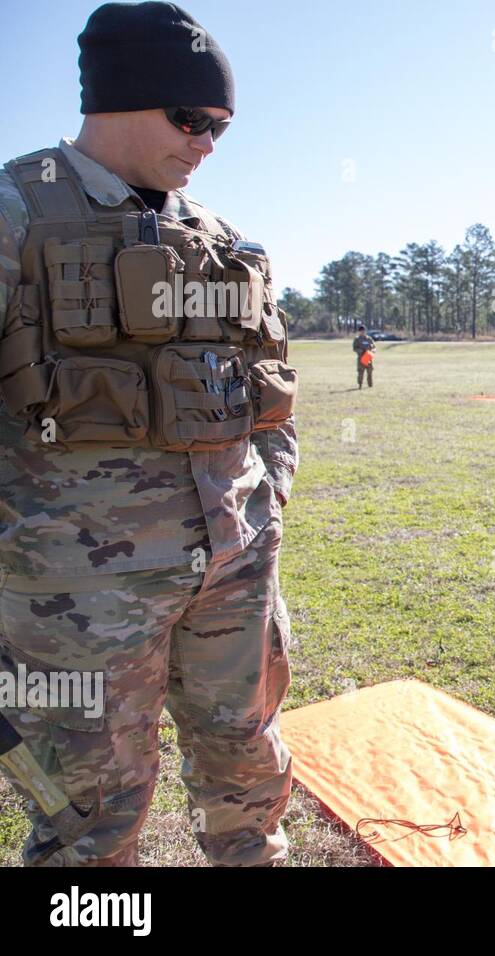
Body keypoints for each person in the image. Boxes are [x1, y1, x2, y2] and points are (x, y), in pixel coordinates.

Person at [0, 1, 299, 866]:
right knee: (89, 820)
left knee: (246, 771)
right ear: (118, 98)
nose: (209, 141)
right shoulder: (16, 215)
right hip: (74, 599)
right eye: (192, 118)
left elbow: (273, 397)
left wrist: (265, 504)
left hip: (232, 569)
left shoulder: (227, 242)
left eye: (223, 125)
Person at [353, 324, 375, 388]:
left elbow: (373, 347)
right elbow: (355, 348)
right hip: (361, 358)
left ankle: (370, 384)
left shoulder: (369, 339)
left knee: (370, 372)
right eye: (361, 331)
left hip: (368, 358)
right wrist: (361, 351)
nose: (362, 332)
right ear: (359, 332)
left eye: (364, 331)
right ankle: (360, 384)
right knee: (360, 372)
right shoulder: (357, 339)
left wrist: (372, 351)